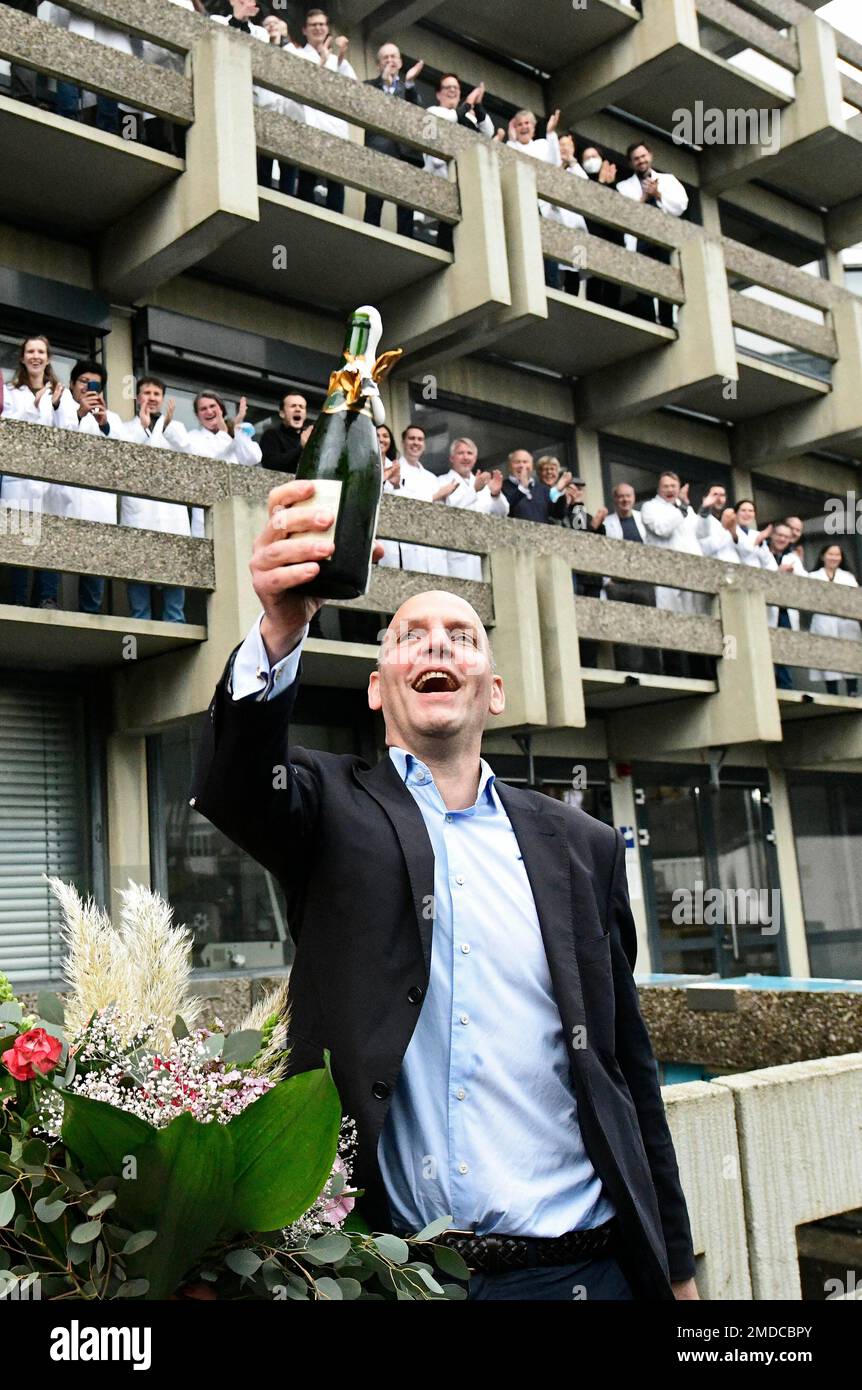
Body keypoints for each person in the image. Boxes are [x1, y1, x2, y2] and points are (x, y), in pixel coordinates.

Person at [190, 477, 699, 1302]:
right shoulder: (326, 809)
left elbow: (627, 1072)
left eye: (460, 636)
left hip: (584, 1269)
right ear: (376, 684)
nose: (436, 648)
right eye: (411, 636)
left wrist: (677, 1271)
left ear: (491, 689)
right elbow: (235, 781)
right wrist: (284, 626)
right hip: (400, 1277)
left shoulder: (584, 847)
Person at [120, 377, 203, 625]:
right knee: (138, 565)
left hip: (171, 513)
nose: (153, 397)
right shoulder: (126, 428)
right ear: (137, 398)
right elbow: (127, 461)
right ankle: (140, 619)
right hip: (139, 511)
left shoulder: (175, 428)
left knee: (174, 565)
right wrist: (144, 429)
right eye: (147, 392)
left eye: (157, 393)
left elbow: (190, 456)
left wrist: (164, 426)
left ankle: (175, 621)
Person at [2, 334, 77, 609]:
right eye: (30, 351)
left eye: (40, 352)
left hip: (50, 479)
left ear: (48, 358)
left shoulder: (62, 393)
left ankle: (47, 597)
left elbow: (69, 432)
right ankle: (18, 600)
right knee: (21, 539)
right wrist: (34, 410)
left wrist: (55, 406)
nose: (35, 356)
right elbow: (8, 429)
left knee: (48, 539)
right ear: (23, 358)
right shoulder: (11, 392)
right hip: (19, 478)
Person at [51, 359, 121, 615]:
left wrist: (103, 425)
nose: (88, 388)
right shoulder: (61, 406)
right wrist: (80, 413)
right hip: (66, 498)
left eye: (95, 385)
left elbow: (121, 455)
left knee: (94, 561)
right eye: (84, 382)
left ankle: (89, 613)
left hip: (97, 503)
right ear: (72, 383)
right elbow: (59, 439)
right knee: (59, 557)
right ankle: (52, 607)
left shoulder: (111, 417)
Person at [211, 0, 301, 191]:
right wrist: (237, 17)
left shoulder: (260, 32)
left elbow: (258, 57)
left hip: (251, 97)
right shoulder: (217, 19)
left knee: (256, 150)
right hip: (226, 90)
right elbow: (219, 41)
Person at [617, 143, 688, 328]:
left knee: (666, 278)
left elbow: (681, 206)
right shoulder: (623, 186)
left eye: (643, 156)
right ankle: (649, 320)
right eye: (637, 158)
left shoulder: (668, 180)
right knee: (644, 280)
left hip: (662, 238)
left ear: (651, 156)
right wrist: (644, 197)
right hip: (640, 240)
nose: (641, 160)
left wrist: (657, 194)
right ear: (632, 163)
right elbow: (625, 215)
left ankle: (667, 321)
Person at [293, 9, 356, 214]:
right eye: (313, 25)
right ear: (304, 30)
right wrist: (321, 61)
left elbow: (352, 91)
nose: (318, 28)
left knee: (336, 182)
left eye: (322, 24)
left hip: (335, 128)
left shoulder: (339, 61)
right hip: (309, 125)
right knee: (307, 178)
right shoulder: (299, 55)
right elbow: (301, 85)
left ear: (327, 28)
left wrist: (341, 56)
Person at [423, 74, 495, 251]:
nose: (453, 91)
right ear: (439, 94)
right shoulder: (432, 112)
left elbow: (488, 132)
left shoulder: (465, 118)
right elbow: (449, 120)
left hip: (466, 179)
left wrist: (477, 105)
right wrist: (467, 104)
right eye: (448, 88)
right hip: (442, 178)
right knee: (447, 226)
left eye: (456, 88)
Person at [44, 3, 137, 137]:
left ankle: (69, 119)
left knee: (77, 67)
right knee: (75, 68)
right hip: (92, 26)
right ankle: (105, 128)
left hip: (94, 27)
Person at [364, 43, 424, 240]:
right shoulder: (369, 86)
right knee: (374, 202)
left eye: (393, 57)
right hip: (379, 150)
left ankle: (407, 239)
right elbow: (367, 108)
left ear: (400, 62)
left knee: (406, 206)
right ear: (378, 64)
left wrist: (409, 84)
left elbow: (418, 114)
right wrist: (384, 84)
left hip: (406, 153)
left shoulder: (408, 87)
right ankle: (369, 236)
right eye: (385, 58)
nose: (390, 61)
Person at [602, 482, 661, 675]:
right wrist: (607, 581)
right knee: (623, 626)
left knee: (648, 624)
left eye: (628, 496)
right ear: (615, 499)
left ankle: (652, 669)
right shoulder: (607, 523)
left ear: (634, 498)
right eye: (620, 496)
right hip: (619, 583)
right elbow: (600, 552)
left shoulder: (643, 521)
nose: (624, 500)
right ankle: (628, 669)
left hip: (643, 582)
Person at [433, 437, 508, 581]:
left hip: (483, 549)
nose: (465, 457)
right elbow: (447, 514)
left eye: (469, 453)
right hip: (456, 551)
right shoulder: (441, 482)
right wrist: (474, 490)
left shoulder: (484, 484)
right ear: (452, 458)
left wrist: (495, 493)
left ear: (475, 458)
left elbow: (502, 512)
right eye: (461, 453)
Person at [378, 423, 447, 575]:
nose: (416, 442)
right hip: (402, 541)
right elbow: (402, 503)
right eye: (412, 438)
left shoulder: (432, 478)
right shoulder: (395, 467)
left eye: (420, 439)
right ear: (403, 443)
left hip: (429, 542)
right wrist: (435, 495)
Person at [506, 109, 563, 288]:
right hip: (519, 205)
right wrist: (511, 140)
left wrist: (551, 133)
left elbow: (554, 164)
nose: (523, 127)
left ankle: (552, 286)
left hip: (542, 207)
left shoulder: (542, 145)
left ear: (533, 126)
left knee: (546, 249)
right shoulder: (510, 146)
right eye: (519, 124)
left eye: (527, 123)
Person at [808, 544, 861, 697]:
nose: (834, 558)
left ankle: (852, 690)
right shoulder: (813, 576)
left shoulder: (848, 577)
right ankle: (832, 692)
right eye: (830, 554)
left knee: (849, 655)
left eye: (837, 555)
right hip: (824, 620)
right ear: (822, 556)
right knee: (827, 655)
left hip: (847, 622)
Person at [580, 145, 624, 311]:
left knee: (613, 283)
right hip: (592, 240)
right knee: (594, 281)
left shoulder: (614, 186)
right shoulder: (582, 180)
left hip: (613, 242)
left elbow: (617, 212)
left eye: (594, 156)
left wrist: (607, 185)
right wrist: (600, 183)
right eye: (587, 157)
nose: (591, 160)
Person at [766, 521, 805, 691]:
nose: (782, 539)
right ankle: (769, 682)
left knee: (784, 646)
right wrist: (777, 573)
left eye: (786, 537)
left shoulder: (793, 558)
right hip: (765, 607)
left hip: (784, 610)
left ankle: (785, 685)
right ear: (772, 535)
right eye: (779, 535)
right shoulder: (762, 552)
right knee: (766, 647)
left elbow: (804, 580)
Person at [172, 393, 263, 465]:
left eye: (212, 406)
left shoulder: (235, 434)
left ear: (221, 409)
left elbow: (253, 458)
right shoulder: (193, 437)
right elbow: (213, 463)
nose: (209, 411)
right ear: (197, 415)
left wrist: (238, 431)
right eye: (203, 409)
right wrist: (223, 433)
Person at [556, 132, 589, 297]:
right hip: (556, 223)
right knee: (556, 267)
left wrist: (572, 162)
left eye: (567, 145)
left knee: (575, 270)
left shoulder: (576, 169)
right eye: (561, 144)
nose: (564, 148)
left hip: (576, 228)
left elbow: (585, 185)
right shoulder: (551, 164)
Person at [502, 448, 558, 524]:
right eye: (517, 462)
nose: (521, 465)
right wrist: (522, 488)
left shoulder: (543, 489)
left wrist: (560, 490)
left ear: (531, 466)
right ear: (509, 466)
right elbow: (502, 509)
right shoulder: (501, 487)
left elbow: (557, 515)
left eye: (525, 462)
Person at [260, 392, 307, 471]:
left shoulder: (311, 439)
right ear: (282, 413)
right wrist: (301, 448)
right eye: (293, 406)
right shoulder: (272, 435)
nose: (298, 409)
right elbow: (271, 464)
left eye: (301, 407)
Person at [696, 484, 740, 565]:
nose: (719, 499)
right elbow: (704, 549)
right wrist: (724, 529)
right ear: (705, 499)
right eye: (715, 495)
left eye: (722, 495)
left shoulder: (732, 521)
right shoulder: (699, 520)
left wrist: (734, 535)